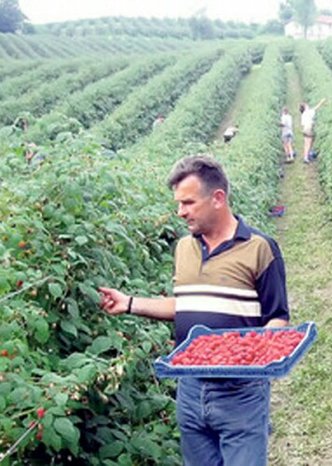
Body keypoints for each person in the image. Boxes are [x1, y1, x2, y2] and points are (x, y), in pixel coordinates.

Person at [98, 154, 290, 466]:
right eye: (178, 203)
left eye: (188, 203)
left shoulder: (259, 247)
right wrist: (130, 303)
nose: (180, 212)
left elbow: (277, 317)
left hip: (239, 391)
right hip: (189, 387)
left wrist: (252, 358)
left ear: (218, 198)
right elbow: (187, 305)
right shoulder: (184, 248)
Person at [300, 98, 326, 163]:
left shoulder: (303, 114)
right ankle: (306, 157)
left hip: (305, 129)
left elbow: (302, 124)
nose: (308, 106)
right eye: (306, 105)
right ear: (305, 107)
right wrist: (321, 102)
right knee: (309, 144)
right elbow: (316, 108)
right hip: (309, 129)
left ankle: (306, 156)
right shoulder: (308, 112)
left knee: (307, 144)